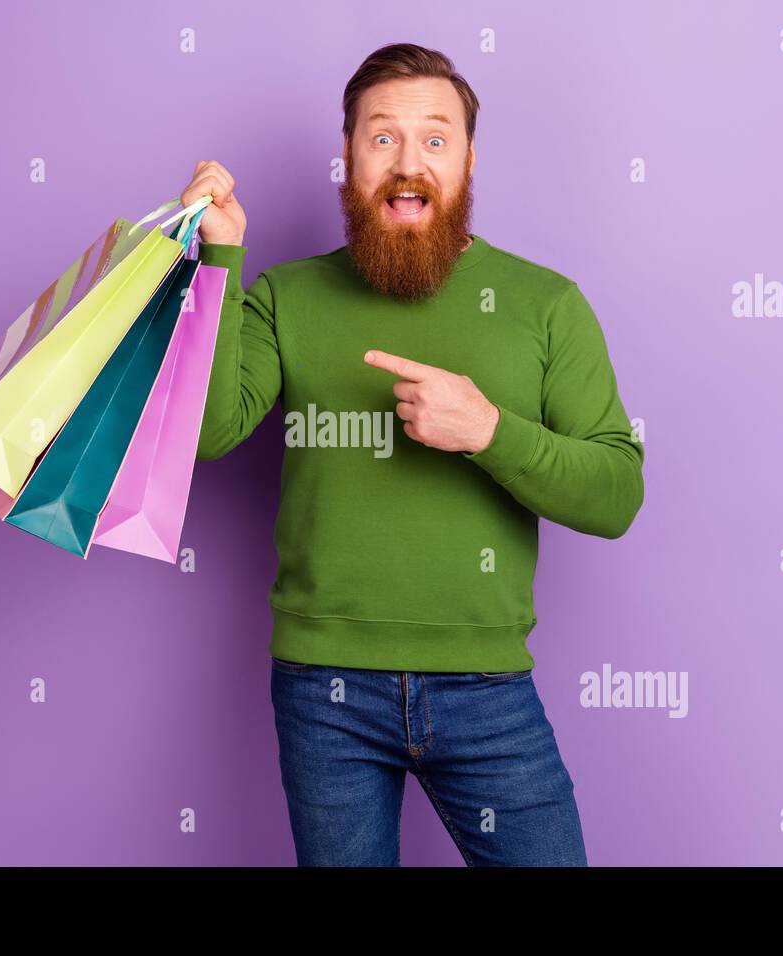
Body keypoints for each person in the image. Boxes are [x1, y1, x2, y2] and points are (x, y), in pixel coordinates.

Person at [184, 42, 645, 866]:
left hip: (488, 692)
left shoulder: (546, 304)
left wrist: (488, 431)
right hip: (324, 688)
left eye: (436, 139)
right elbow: (213, 430)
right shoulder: (287, 295)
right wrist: (220, 256)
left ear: (470, 160)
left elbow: (616, 494)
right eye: (381, 137)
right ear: (349, 158)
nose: (409, 162)